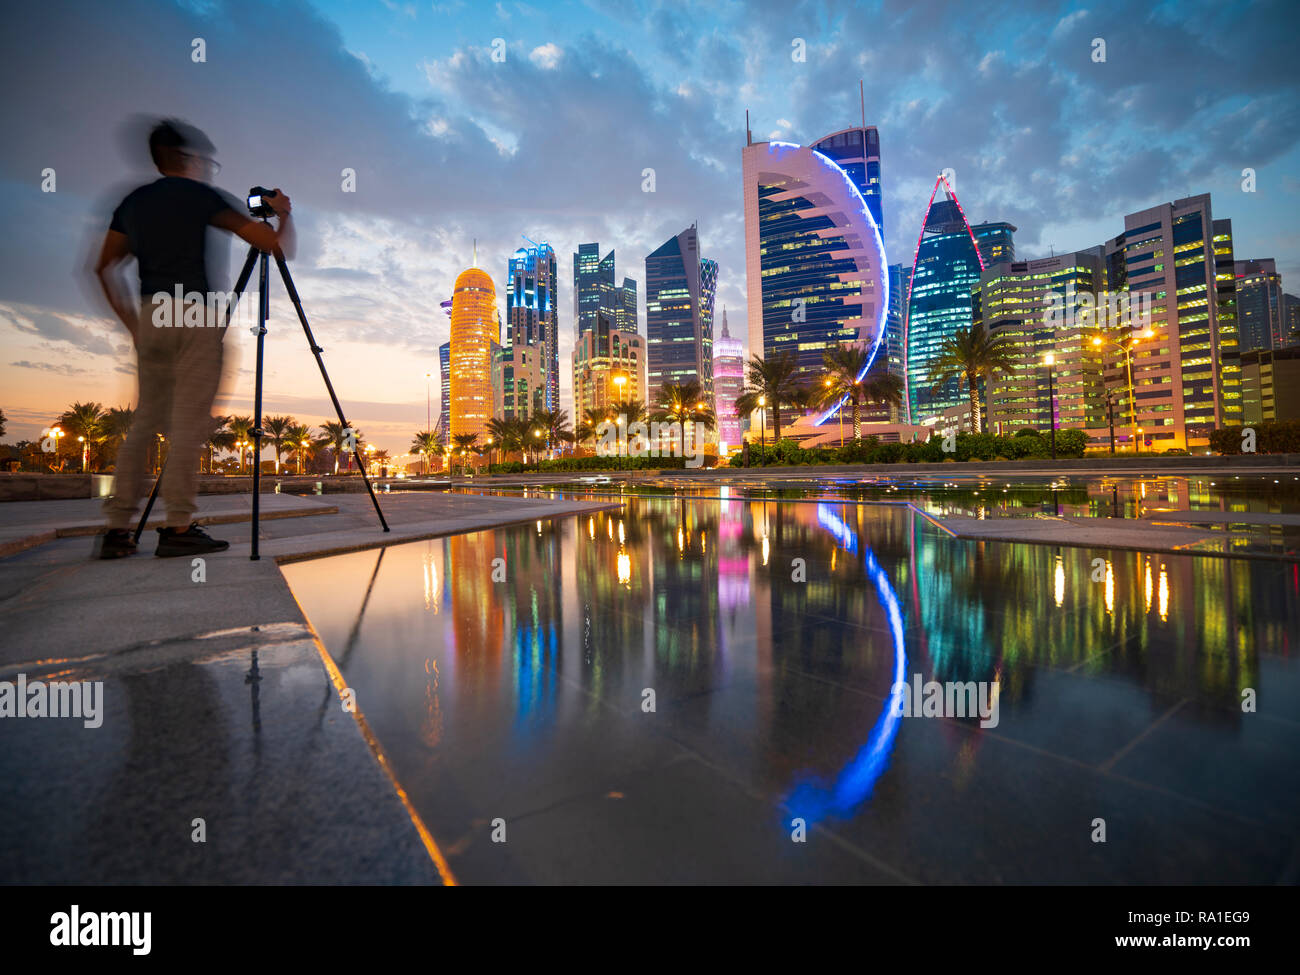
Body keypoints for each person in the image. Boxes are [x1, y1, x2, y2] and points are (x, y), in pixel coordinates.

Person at [93, 119, 293, 558]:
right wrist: (283, 212)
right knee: (187, 427)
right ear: (189, 159)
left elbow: (103, 266)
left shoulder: (134, 202)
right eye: (205, 161)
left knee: (145, 422)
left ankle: (116, 531)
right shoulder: (201, 197)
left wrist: (132, 322)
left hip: (152, 313)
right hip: (194, 312)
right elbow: (272, 245)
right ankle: (178, 525)